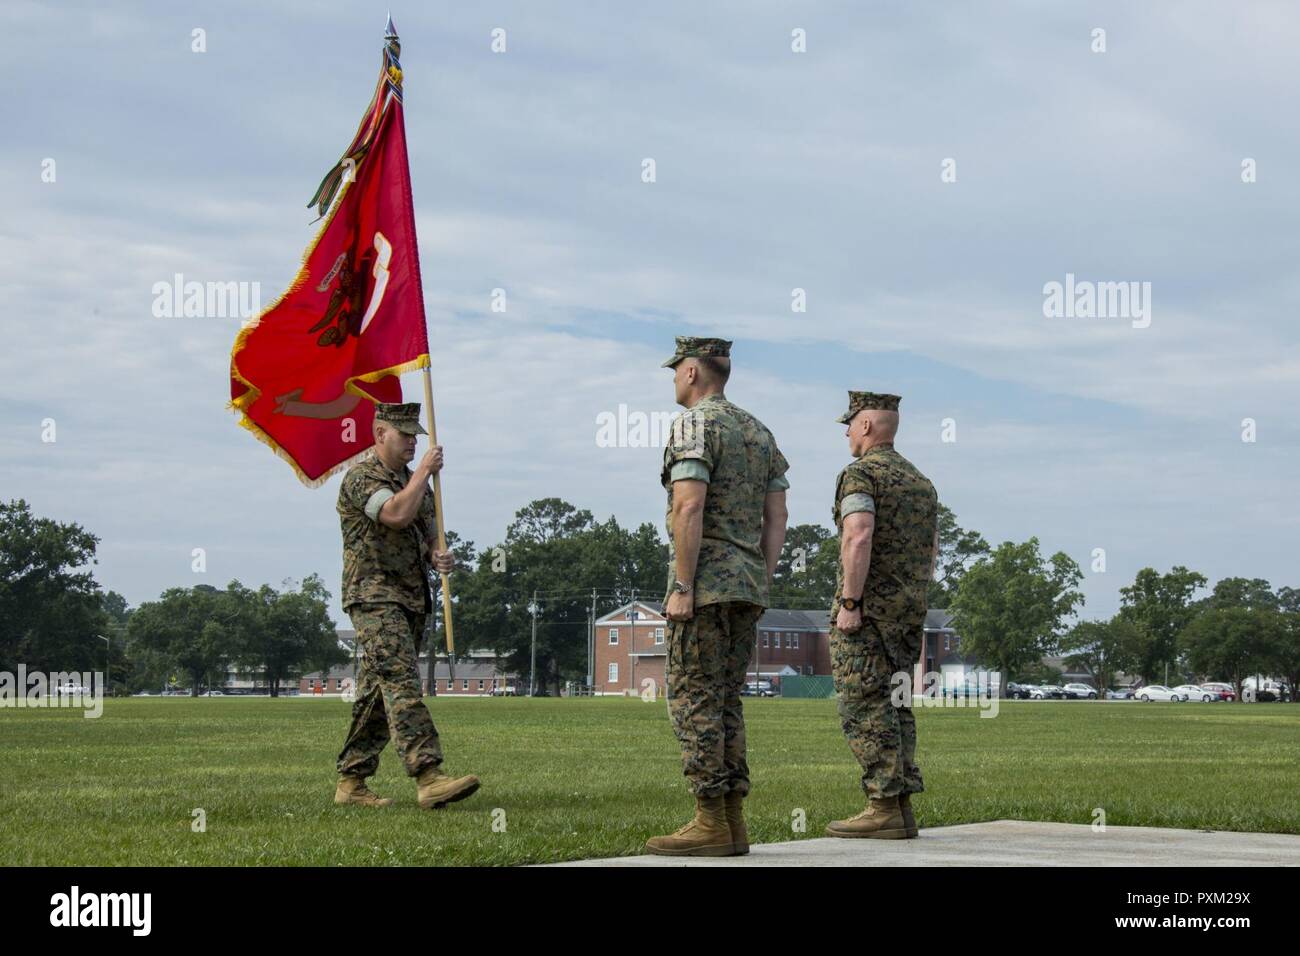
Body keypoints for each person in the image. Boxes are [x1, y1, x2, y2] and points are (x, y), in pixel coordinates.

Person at [645, 337, 789, 857]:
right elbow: (778, 517)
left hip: (705, 585)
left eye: (675, 370)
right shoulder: (759, 432)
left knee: (693, 699)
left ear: (690, 372)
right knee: (726, 700)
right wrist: (759, 575)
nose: (674, 379)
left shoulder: (695, 425)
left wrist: (683, 585)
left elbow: (689, 506)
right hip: (746, 584)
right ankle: (731, 821)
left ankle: (709, 819)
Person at [333, 401, 480, 810]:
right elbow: (395, 513)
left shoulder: (418, 484)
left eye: (416, 435)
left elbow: (429, 533)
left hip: (412, 597)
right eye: (405, 435)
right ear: (380, 434)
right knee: (401, 680)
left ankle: (351, 781)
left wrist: (439, 555)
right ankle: (428, 775)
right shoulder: (361, 478)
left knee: (376, 693)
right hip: (373, 596)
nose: (414, 442)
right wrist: (422, 474)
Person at [824, 391, 938, 839]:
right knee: (898, 703)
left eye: (849, 424)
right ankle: (902, 805)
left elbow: (858, 535)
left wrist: (851, 603)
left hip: (868, 617)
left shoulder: (860, 475)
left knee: (864, 705)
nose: (847, 433)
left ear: (866, 425)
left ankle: (882, 804)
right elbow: (931, 551)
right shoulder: (920, 482)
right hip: (907, 615)